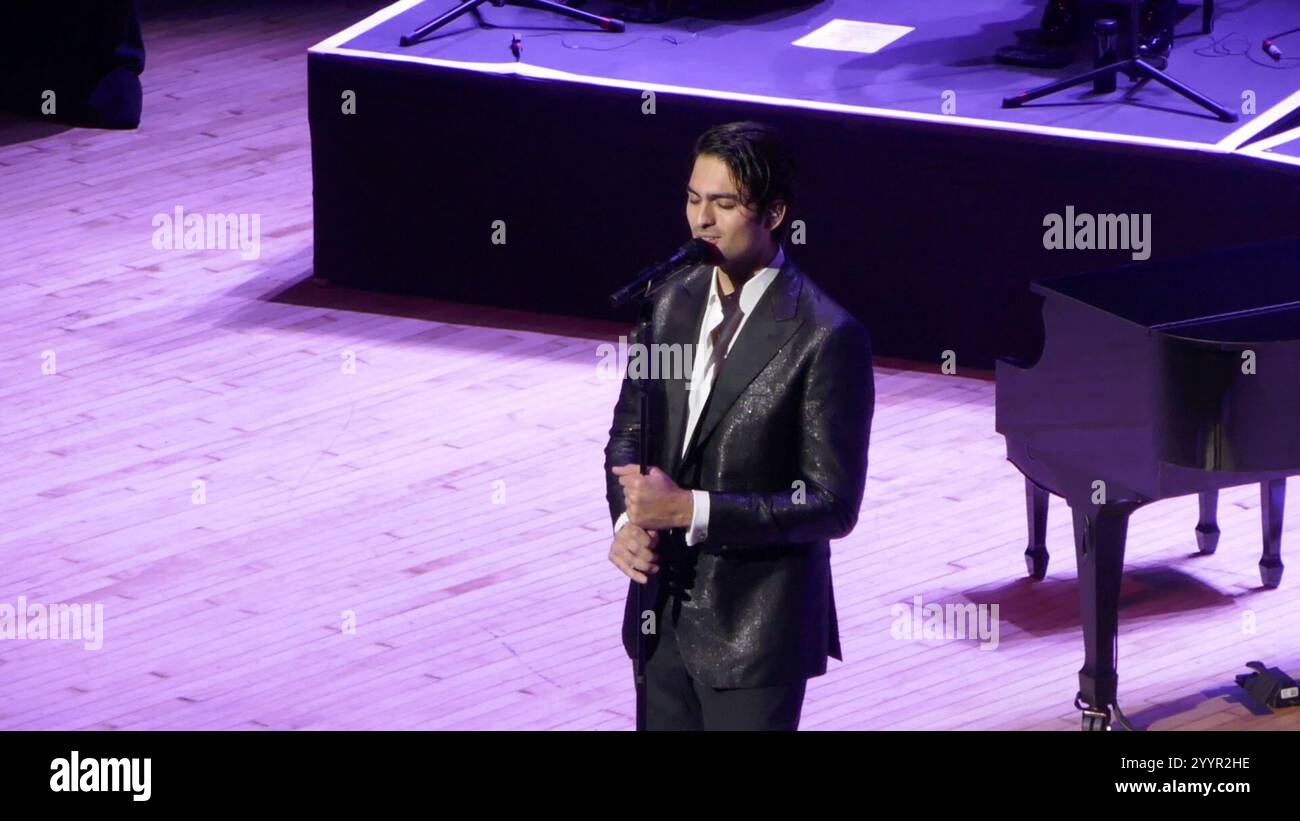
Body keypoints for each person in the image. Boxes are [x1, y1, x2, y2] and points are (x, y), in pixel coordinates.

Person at [603, 121, 874, 730]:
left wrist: (692, 511)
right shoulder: (669, 303)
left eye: (723, 204)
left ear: (774, 212)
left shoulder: (826, 337)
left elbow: (832, 504)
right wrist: (628, 520)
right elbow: (628, 434)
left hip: (756, 635)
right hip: (660, 611)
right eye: (694, 198)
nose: (701, 221)